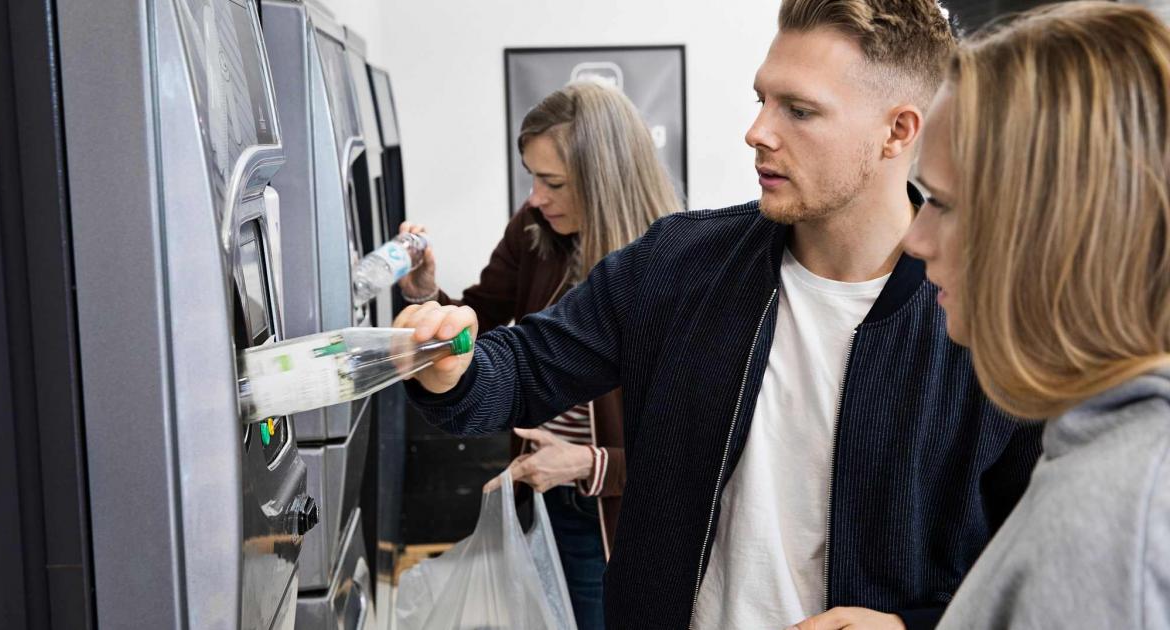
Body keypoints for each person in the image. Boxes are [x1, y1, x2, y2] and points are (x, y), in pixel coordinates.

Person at [395, 0, 1044, 627]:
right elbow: (523, 369)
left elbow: (1033, 571)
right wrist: (451, 370)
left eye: (800, 110)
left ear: (898, 131)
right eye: (762, 99)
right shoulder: (677, 263)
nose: (758, 131)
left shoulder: (988, 325)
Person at [900, 3, 1170, 628]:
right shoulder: (1101, 451)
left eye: (940, 203)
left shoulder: (1118, 514)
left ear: (1048, 226)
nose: (916, 241)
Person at [396, 81, 680, 630]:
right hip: (538, 490)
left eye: (552, 182)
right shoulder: (532, 232)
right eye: (532, 176)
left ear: (605, 182)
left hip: (614, 515)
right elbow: (479, 334)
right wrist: (426, 296)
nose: (534, 197)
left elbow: (688, 446)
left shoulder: (667, 266)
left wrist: (587, 463)